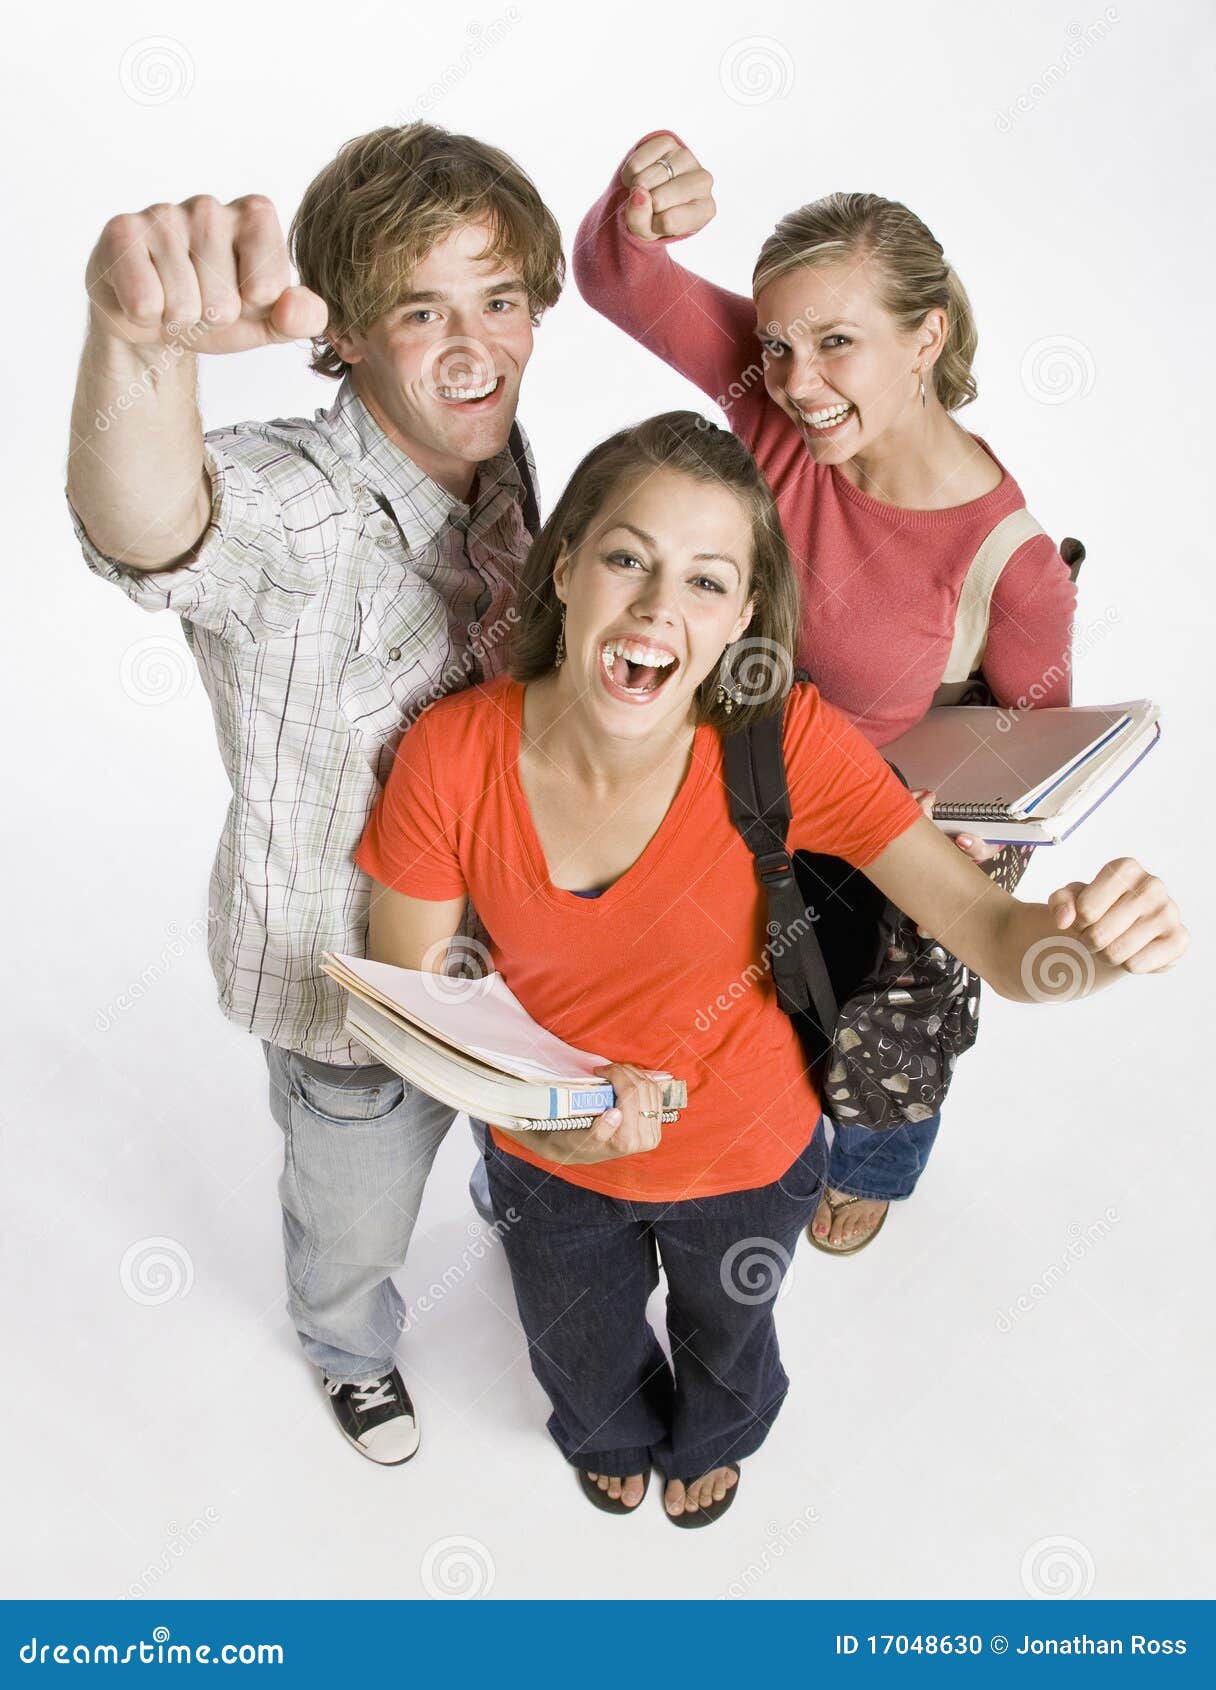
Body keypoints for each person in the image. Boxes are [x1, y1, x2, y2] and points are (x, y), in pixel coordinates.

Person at [353, 412, 1187, 1524]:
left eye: (706, 582)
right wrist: (554, 1124)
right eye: (626, 557)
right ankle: (605, 1431)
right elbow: (419, 1006)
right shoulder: (454, 751)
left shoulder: (783, 741)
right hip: (546, 1167)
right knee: (578, 1340)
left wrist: (1081, 952)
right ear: (565, 568)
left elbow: (990, 930)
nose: (657, 608)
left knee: (729, 1328)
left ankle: (719, 1434)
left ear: (744, 614)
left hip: (748, 1152)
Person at [65, 123, 563, 1465]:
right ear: (341, 333)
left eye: (500, 299)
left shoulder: (505, 462)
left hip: (513, 945)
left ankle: (521, 1226)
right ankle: (347, 1346)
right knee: (356, 1211)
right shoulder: (307, 500)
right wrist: (139, 345)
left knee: (527, 1148)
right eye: (421, 309)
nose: (475, 347)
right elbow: (160, 529)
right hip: (349, 992)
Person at [573, 130, 1080, 1254]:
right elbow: (616, 276)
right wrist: (639, 199)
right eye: (781, 343)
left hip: (876, 823)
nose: (798, 383)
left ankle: (876, 1167)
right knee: (713, 991)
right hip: (723, 779)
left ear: (924, 337)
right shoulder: (773, 406)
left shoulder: (1012, 567)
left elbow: (1033, 756)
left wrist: (941, 874)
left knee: (880, 1049)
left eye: (836, 343)